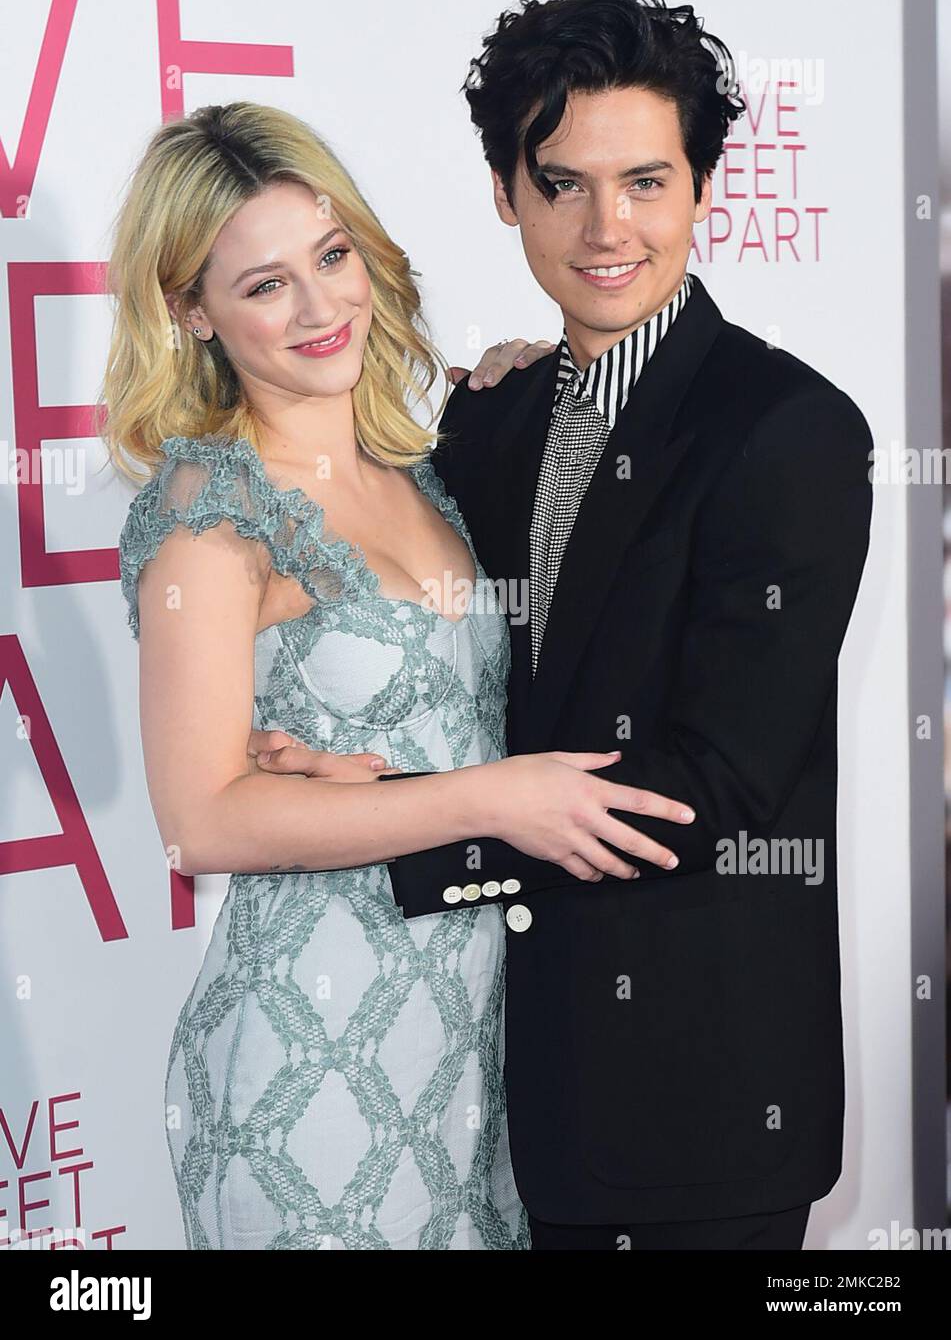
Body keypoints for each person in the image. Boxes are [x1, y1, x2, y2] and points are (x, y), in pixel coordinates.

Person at [260, 0, 875, 1250]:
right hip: (490, 1091)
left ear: (705, 186)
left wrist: (412, 826)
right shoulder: (494, 418)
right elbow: (469, 678)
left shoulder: (789, 430)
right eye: (564, 185)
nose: (609, 228)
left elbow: (712, 787)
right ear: (506, 192)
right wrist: (361, 772)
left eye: (647, 182)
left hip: (696, 1113)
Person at [101, 100, 694, 1250]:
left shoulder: (425, 464)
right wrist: (490, 795)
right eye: (265, 284)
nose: (322, 307)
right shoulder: (208, 510)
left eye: (330, 257)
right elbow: (201, 819)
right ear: (191, 312)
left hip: (470, 1029)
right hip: (308, 1049)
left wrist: (530, 389)